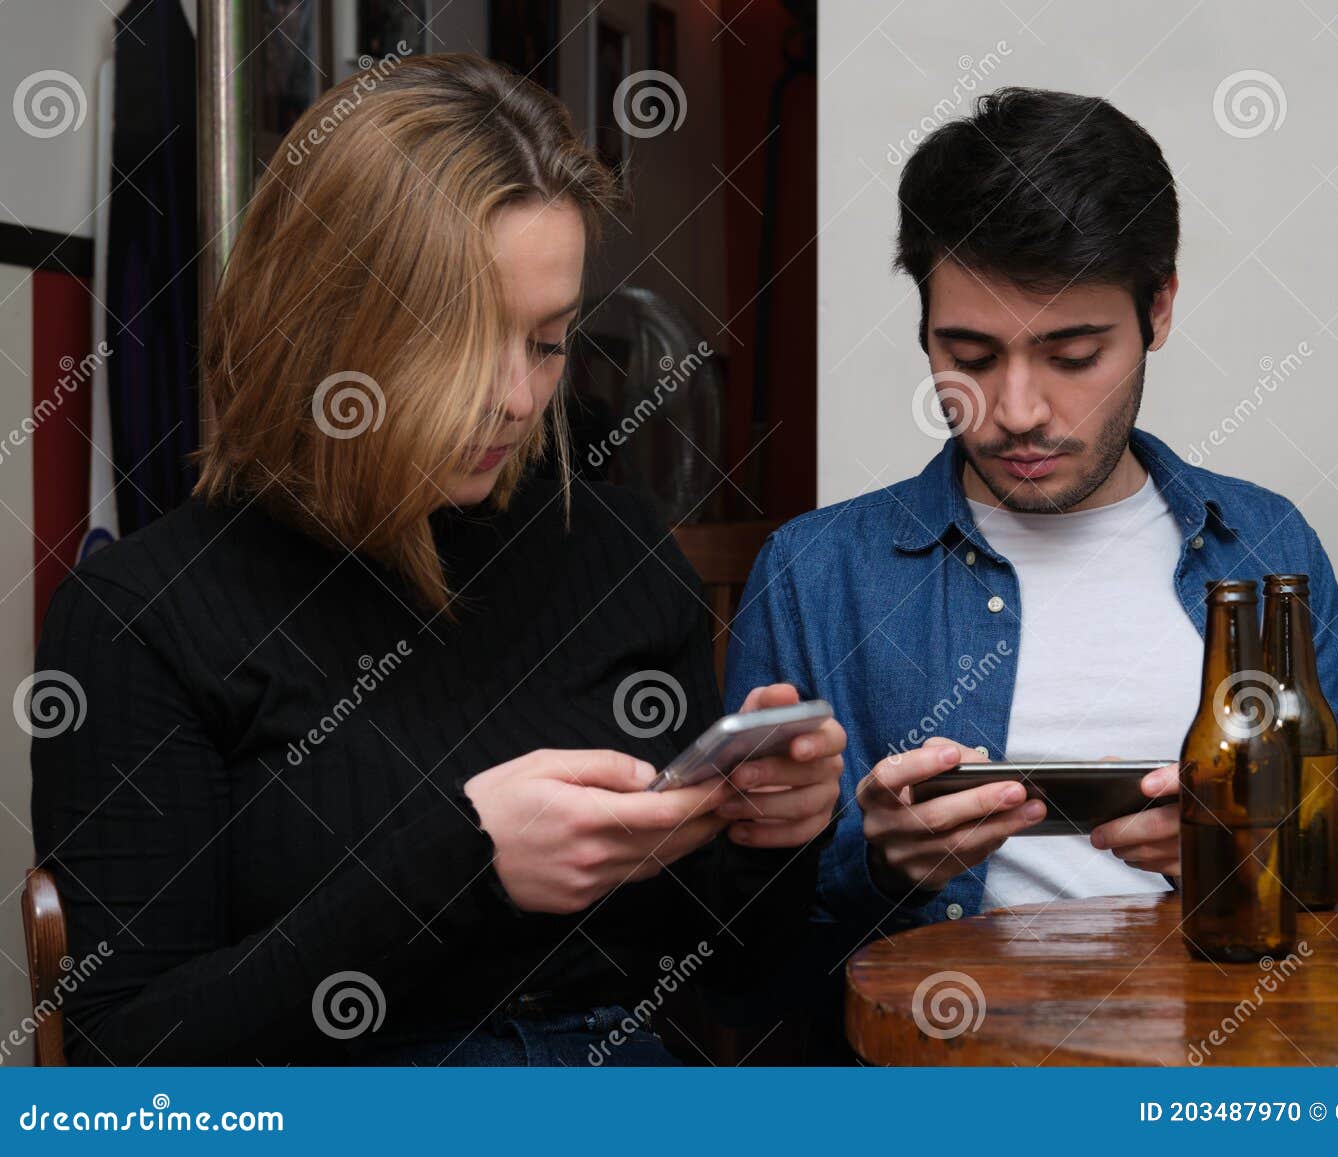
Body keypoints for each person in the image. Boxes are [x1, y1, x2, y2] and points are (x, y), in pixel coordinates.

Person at [28, 54, 843, 1066]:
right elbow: (126, 1068)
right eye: (464, 345)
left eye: (548, 343)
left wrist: (777, 833)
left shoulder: (614, 550)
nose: (514, 396)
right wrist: (465, 866)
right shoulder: (142, 616)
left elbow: (732, 974)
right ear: (326, 327)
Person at [725, 88, 1338, 954]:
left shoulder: (1266, 543)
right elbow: (737, 960)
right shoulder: (816, 572)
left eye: (1073, 356)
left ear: (1158, 311)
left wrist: (1236, 857)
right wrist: (878, 868)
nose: (1018, 410)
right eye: (970, 357)